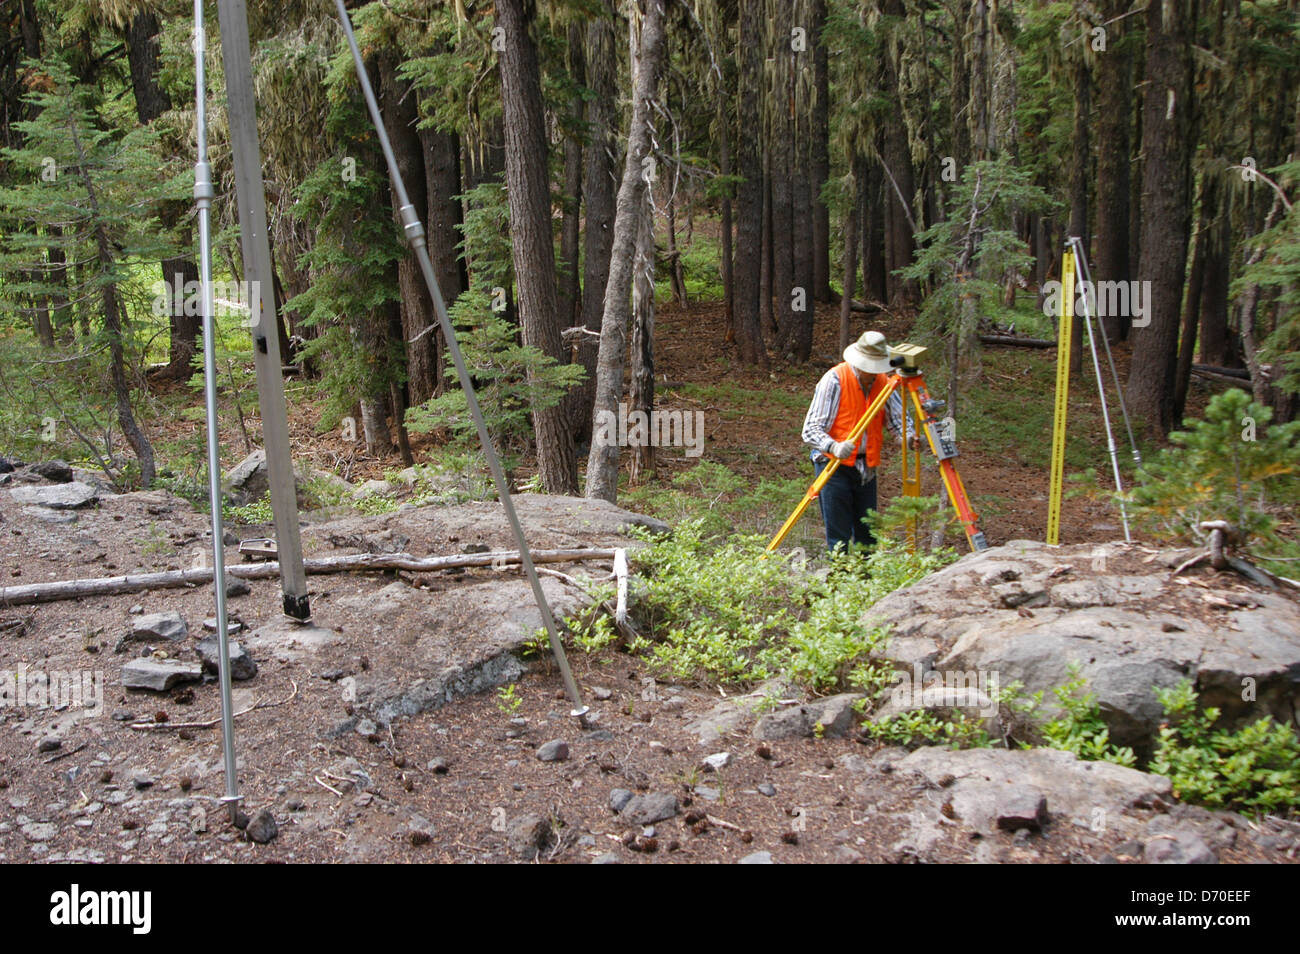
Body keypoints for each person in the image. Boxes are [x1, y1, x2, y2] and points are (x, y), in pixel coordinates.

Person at [801, 330, 912, 553]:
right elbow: (810, 430)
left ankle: (865, 583)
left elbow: (899, 422)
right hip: (833, 467)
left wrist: (909, 438)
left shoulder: (884, 382)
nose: (873, 372)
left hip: (866, 469)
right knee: (839, 539)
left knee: (867, 536)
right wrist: (834, 446)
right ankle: (839, 583)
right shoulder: (834, 380)